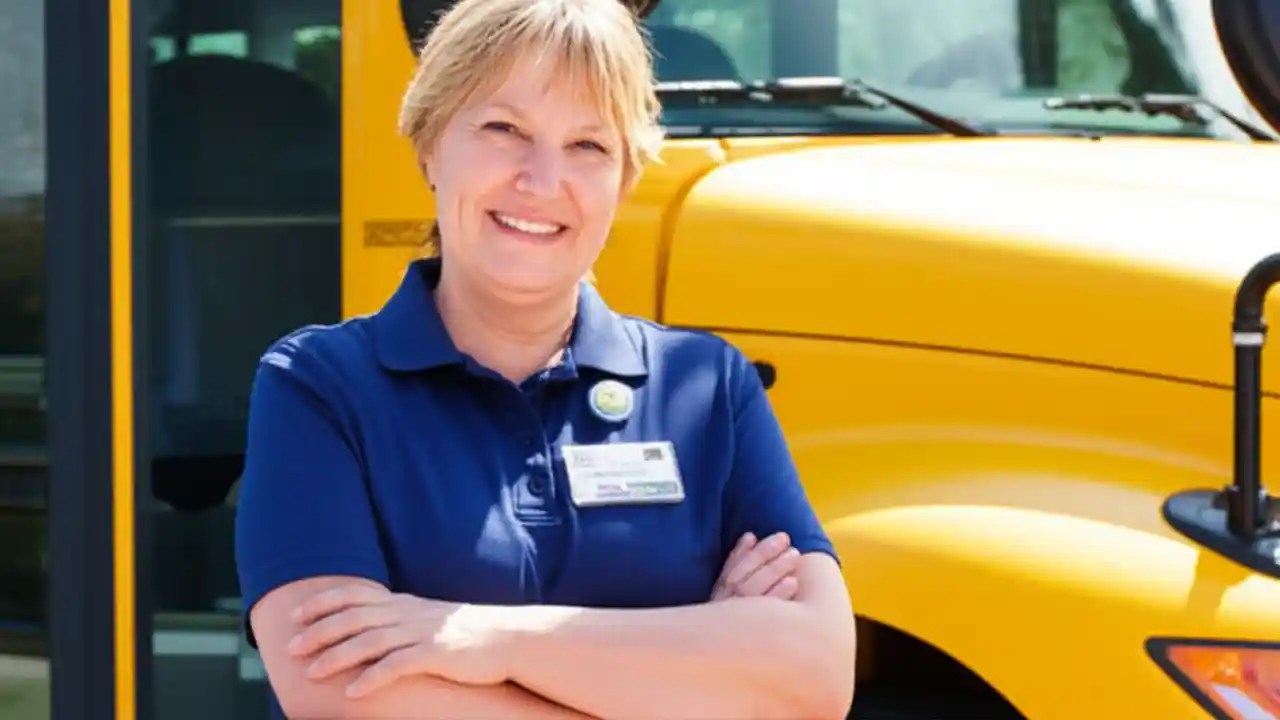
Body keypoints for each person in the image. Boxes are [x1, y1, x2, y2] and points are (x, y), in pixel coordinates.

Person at [233, 0, 857, 717]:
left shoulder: (708, 387)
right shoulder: (319, 386)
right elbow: (340, 692)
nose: (541, 178)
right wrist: (701, 673)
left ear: (624, 178)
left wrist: (484, 639)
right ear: (429, 143)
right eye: (504, 129)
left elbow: (815, 679)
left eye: (589, 146)